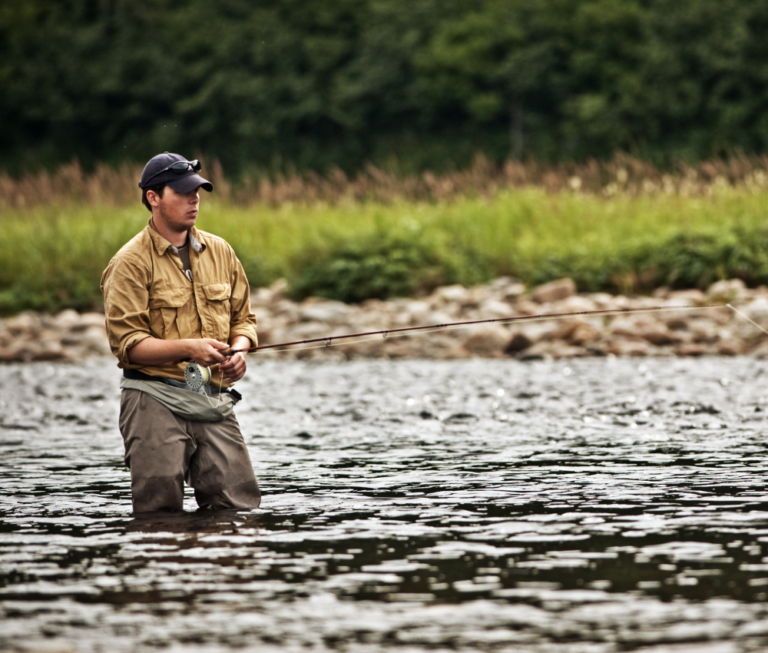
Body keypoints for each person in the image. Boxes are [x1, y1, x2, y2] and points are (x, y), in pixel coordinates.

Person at [101, 152, 261, 514]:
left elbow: (244, 319)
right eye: (184, 192)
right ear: (153, 198)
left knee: (238, 509)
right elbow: (129, 347)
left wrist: (239, 351)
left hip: (211, 395)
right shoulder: (129, 263)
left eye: (198, 192)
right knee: (159, 515)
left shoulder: (221, 251)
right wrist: (190, 347)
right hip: (152, 398)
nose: (194, 199)